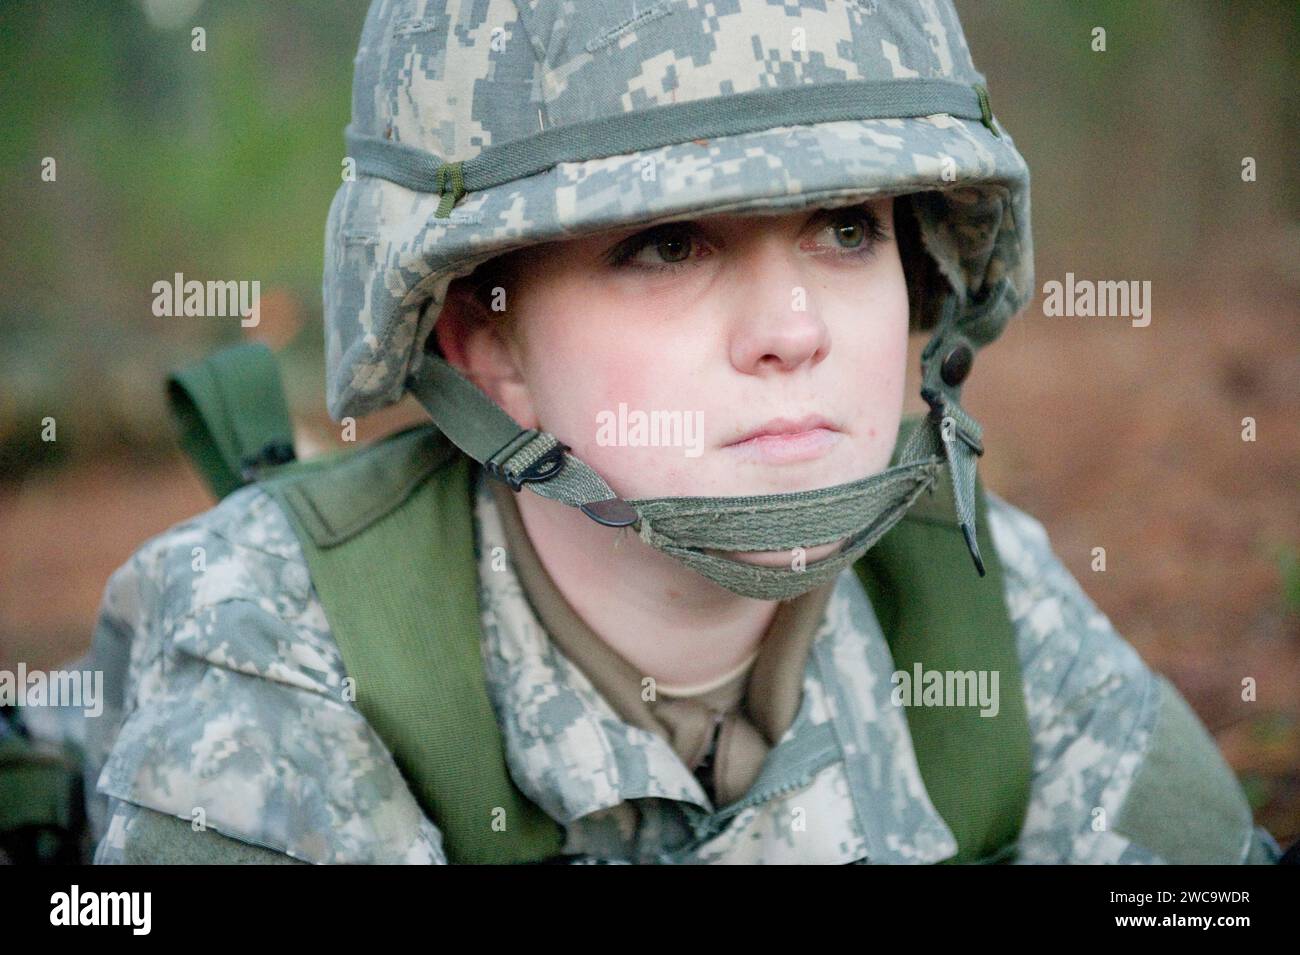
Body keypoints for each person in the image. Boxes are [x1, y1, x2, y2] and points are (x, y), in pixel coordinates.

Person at [79, 0, 1284, 864]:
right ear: (482, 340)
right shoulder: (281, 643)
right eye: (667, 243)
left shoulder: (974, 593)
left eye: (847, 230)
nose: (792, 329)